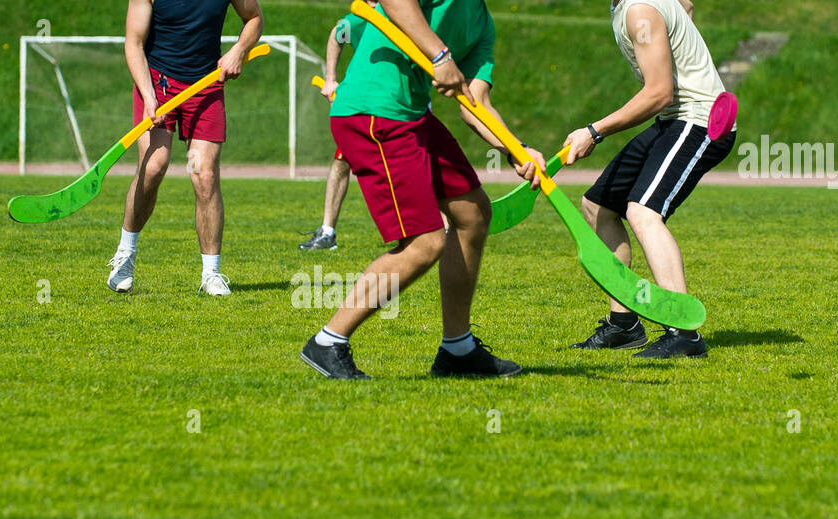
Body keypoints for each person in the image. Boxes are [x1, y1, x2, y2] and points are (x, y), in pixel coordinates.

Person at [299, 0, 546, 379]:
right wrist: (441, 55)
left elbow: (475, 103)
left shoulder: (481, 25)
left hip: (412, 115)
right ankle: (329, 341)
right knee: (425, 242)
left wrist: (514, 147)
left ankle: (458, 350)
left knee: (472, 212)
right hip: (373, 111)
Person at [562, 0, 735, 358]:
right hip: (674, 120)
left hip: (697, 120)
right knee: (598, 206)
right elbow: (685, 5)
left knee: (643, 212)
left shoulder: (638, 9)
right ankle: (624, 325)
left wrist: (594, 132)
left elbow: (658, 94)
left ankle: (684, 331)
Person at [108, 0, 264, 296]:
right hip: (157, 82)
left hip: (205, 84)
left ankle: (212, 273)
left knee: (204, 175)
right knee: (154, 166)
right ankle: (124, 256)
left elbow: (254, 18)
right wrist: (148, 96)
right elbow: (134, 43)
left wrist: (238, 51)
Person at [298, 0, 379, 251]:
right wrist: (331, 79)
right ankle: (327, 232)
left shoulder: (406, 13)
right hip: (364, 104)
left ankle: (440, 226)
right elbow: (337, 35)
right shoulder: (358, 20)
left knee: (418, 159)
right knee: (342, 161)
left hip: (401, 102)